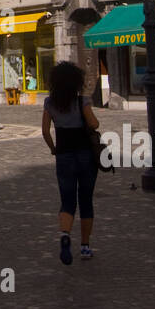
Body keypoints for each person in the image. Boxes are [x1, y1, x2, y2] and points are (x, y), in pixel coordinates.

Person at [41, 61, 99, 264]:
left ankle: (65, 234)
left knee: (67, 200)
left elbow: (45, 131)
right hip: (85, 154)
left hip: (63, 155)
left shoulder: (50, 103)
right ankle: (84, 246)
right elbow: (94, 123)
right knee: (85, 200)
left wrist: (53, 149)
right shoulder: (81, 101)